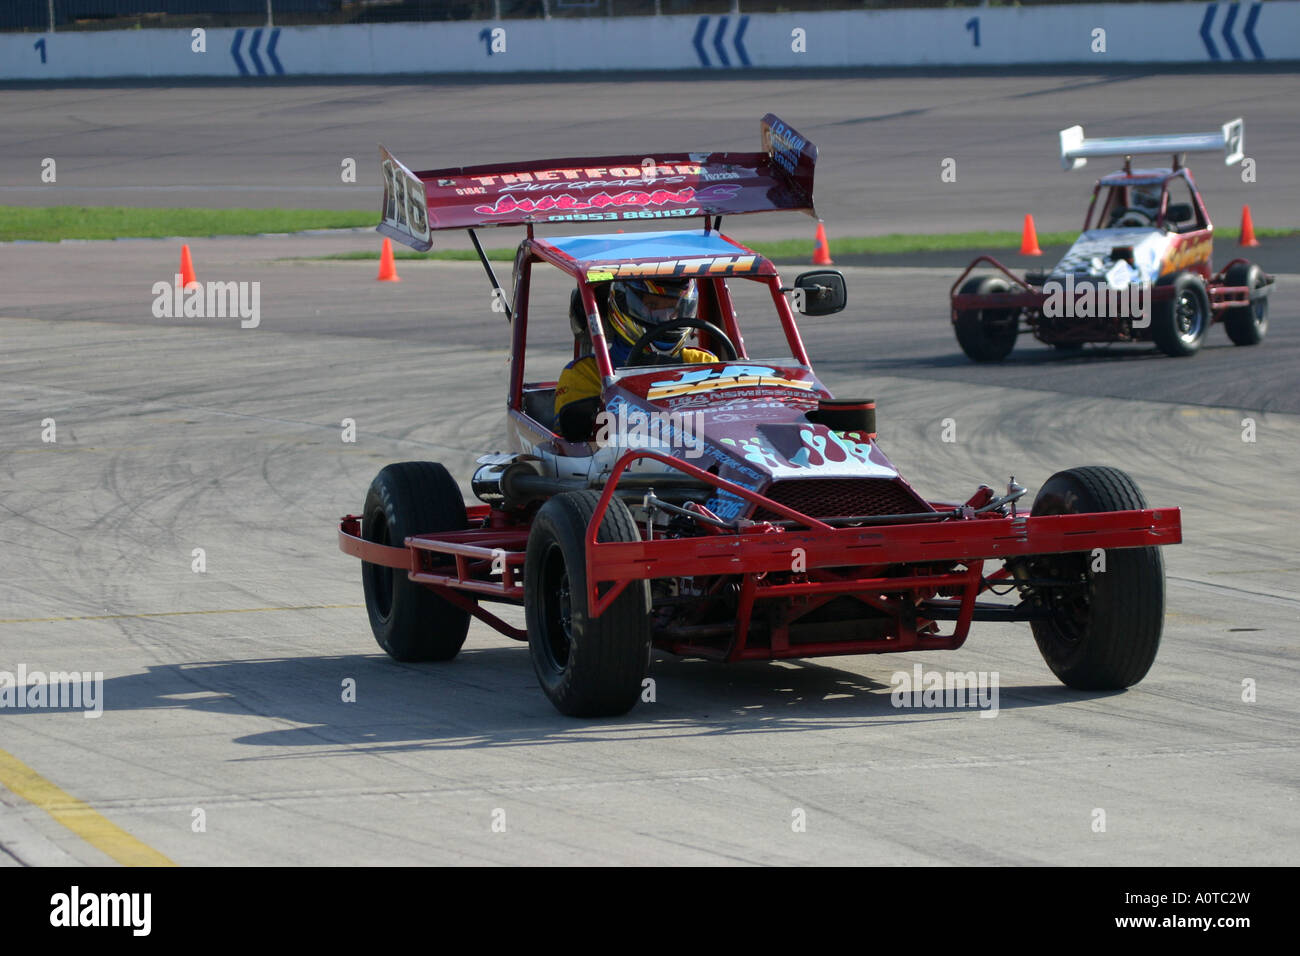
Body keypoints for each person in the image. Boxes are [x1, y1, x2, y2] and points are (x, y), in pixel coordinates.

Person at [553, 278, 716, 441]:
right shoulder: (585, 374)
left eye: (673, 308)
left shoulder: (702, 363)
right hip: (619, 464)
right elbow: (573, 448)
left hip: (698, 461)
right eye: (653, 306)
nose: (665, 317)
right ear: (622, 303)